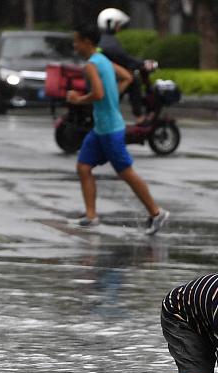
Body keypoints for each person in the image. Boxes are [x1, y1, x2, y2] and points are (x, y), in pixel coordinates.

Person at [68, 22, 169, 235]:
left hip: (110, 130)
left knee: (127, 173)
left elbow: (98, 94)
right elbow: (127, 77)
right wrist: (113, 93)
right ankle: (91, 216)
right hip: (101, 129)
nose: (74, 46)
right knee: (83, 167)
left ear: (87, 42)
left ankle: (156, 212)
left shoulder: (92, 65)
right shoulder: (103, 59)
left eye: (76, 41)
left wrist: (78, 99)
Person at [97, 7, 148, 123]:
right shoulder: (110, 42)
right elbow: (124, 58)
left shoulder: (103, 39)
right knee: (133, 80)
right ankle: (139, 116)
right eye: (117, 24)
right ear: (110, 24)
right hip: (106, 80)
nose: (119, 27)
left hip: (103, 77)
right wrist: (142, 64)